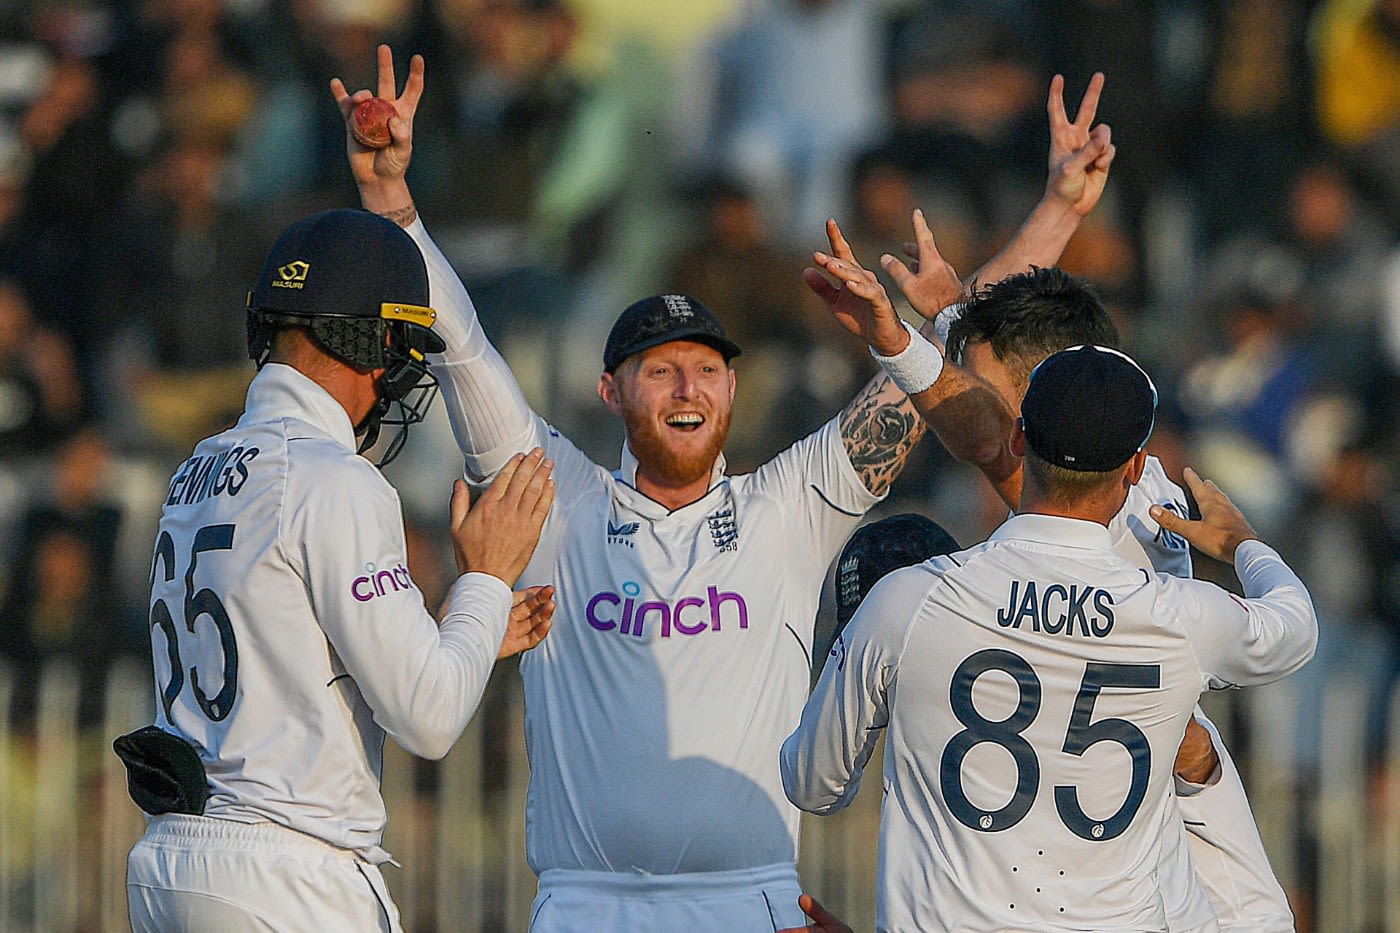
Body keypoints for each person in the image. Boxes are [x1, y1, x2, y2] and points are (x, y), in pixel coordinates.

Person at [332, 45, 1114, 931]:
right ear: (610, 390)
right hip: (587, 906)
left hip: (753, 902)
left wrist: (1054, 211)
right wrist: (391, 199)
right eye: (659, 370)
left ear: (734, 390)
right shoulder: (556, 502)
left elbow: (936, 357)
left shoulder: (790, 508)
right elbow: (463, 344)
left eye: (706, 369)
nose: (688, 389)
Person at [828, 247, 1303, 929]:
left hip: (1167, 849)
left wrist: (901, 342)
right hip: (1159, 820)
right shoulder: (1126, 483)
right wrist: (953, 315)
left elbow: (991, 439)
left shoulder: (1120, 504)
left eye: (987, 387)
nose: (979, 406)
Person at [119, 208, 557, 932]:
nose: (394, 374)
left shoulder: (196, 466)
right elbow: (429, 716)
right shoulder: (332, 476)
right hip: (286, 876)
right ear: (369, 338)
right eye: (397, 346)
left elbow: (292, 641)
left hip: (174, 861)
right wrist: (486, 575)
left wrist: (464, 631)